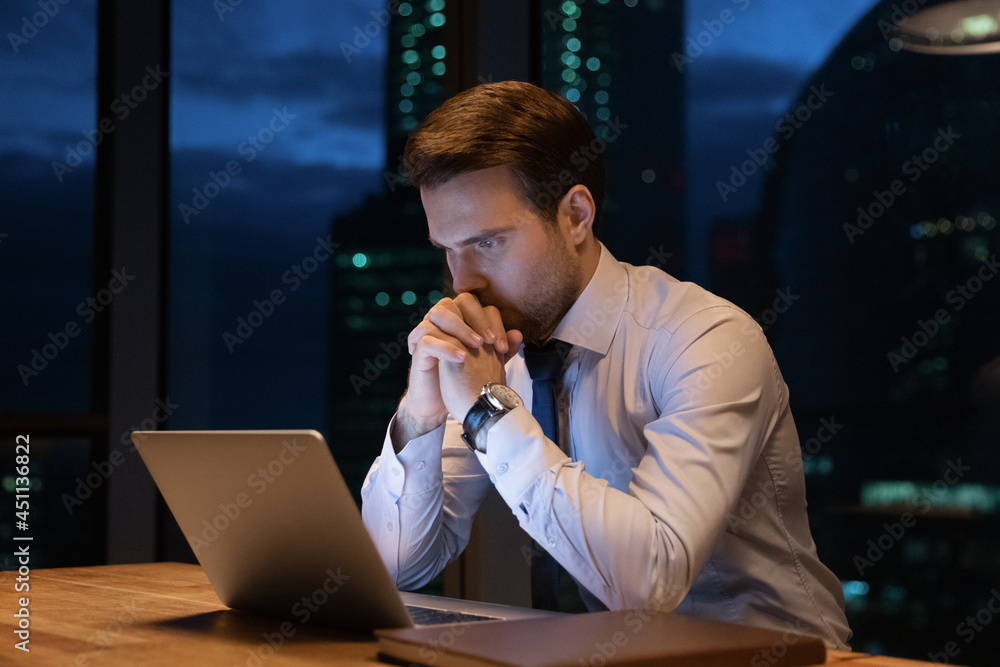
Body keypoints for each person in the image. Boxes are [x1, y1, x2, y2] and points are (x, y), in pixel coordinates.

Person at [360, 80, 852, 649]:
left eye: (488, 243)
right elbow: (394, 568)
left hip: (784, 661)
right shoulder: (494, 352)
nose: (463, 280)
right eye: (448, 249)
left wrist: (490, 413)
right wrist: (419, 418)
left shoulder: (707, 338)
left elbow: (650, 582)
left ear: (575, 215)